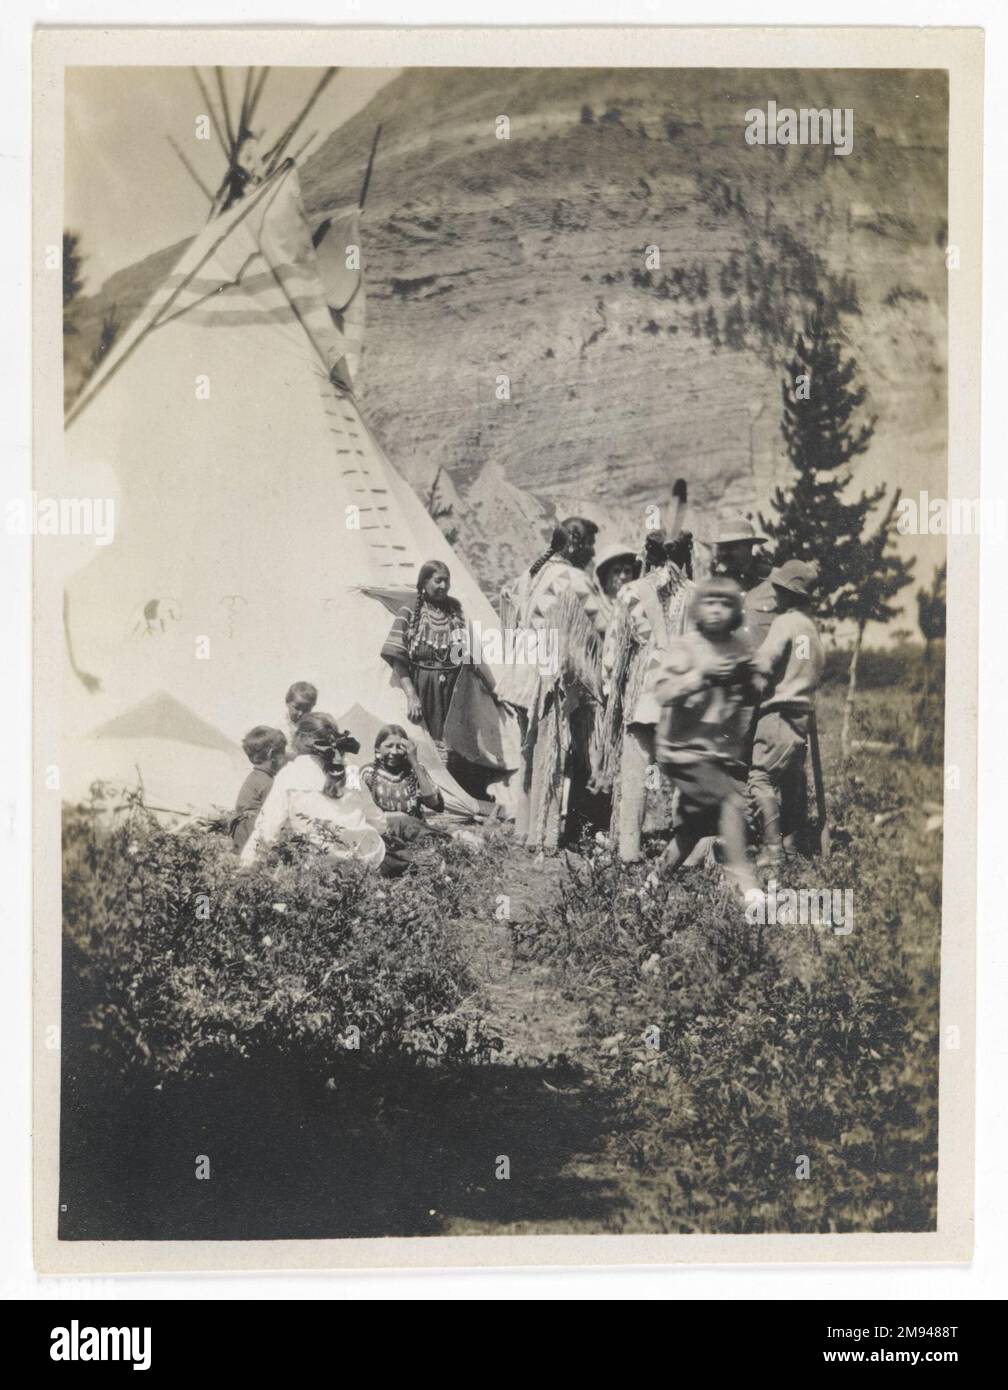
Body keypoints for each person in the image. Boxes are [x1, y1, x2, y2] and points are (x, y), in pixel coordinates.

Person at [498, 516, 609, 854]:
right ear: (575, 544)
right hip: (549, 680)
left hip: (521, 677)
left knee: (531, 753)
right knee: (551, 754)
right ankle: (545, 838)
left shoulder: (530, 576)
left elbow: (508, 607)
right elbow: (604, 627)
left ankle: (526, 830)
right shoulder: (574, 578)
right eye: (590, 543)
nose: (592, 552)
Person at [648, 578, 760, 898]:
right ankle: (747, 887)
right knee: (732, 803)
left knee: (693, 828)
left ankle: (650, 885)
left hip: (715, 752)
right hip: (682, 749)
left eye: (725, 604)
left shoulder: (740, 647)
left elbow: (749, 694)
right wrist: (703, 677)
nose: (716, 610)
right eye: (710, 602)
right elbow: (663, 692)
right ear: (698, 607)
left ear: (735, 610)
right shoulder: (687, 646)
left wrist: (748, 683)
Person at [593, 528, 694, 863]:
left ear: (648, 556)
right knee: (682, 775)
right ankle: (685, 850)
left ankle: (629, 848)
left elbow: (614, 649)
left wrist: (610, 690)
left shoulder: (631, 593)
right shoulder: (694, 594)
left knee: (636, 772)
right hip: (679, 694)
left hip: (642, 692)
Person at [380, 560, 496, 800]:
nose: (443, 586)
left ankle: (454, 794)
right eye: (438, 580)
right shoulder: (410, 610)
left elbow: (461, 655)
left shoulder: (454, 612)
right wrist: (412, 695)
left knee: (453, 743)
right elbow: (398, 658)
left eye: (447, 580)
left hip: (452, 688)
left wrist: (488, 685)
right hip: (423, 684)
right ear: (424, 582)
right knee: (427, 741)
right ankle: (429, 792)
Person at [239, 711, 388, 872]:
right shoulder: (351, 771)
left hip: (318, 867)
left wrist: (246, 866)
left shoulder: (291, 774)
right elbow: (379, 823)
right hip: (365, 862)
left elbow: (267, 832)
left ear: (299, 740)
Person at [748, 559, 825, 868]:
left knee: (760, 777)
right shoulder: (810, 628)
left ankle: (773, 849)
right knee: (792, 780)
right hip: (801, 714)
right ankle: (792, 846)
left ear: (790, 594)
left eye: (779, 589)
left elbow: (765, 662)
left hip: (777, 713)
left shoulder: (784, 623)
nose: (775, 594)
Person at [361, 724, 445, 836]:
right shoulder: (367, 773)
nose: (394, 752)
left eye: (400, 747)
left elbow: (435, 804)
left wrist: (414, 762)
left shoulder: (415, 770)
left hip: (415, 831)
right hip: (383, 833)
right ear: (377, 748)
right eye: (389, 746)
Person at [712, 518, 778, 647]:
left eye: (731, 547)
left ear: (749, 546)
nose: (724, 553)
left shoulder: (776, 580)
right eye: (721, 548)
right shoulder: (715, 587)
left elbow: (799, 630)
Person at [230, 725, 288, 854]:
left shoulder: (254, 778)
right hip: (251, 840)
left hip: (241, 836)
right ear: (273, 755)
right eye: (283, 752)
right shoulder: (268, 783)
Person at [284, 680, 318, 759]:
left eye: (306, 710)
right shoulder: (280, 728)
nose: (300, 713)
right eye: (296, 708)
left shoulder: (315, 727)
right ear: (287, 702)